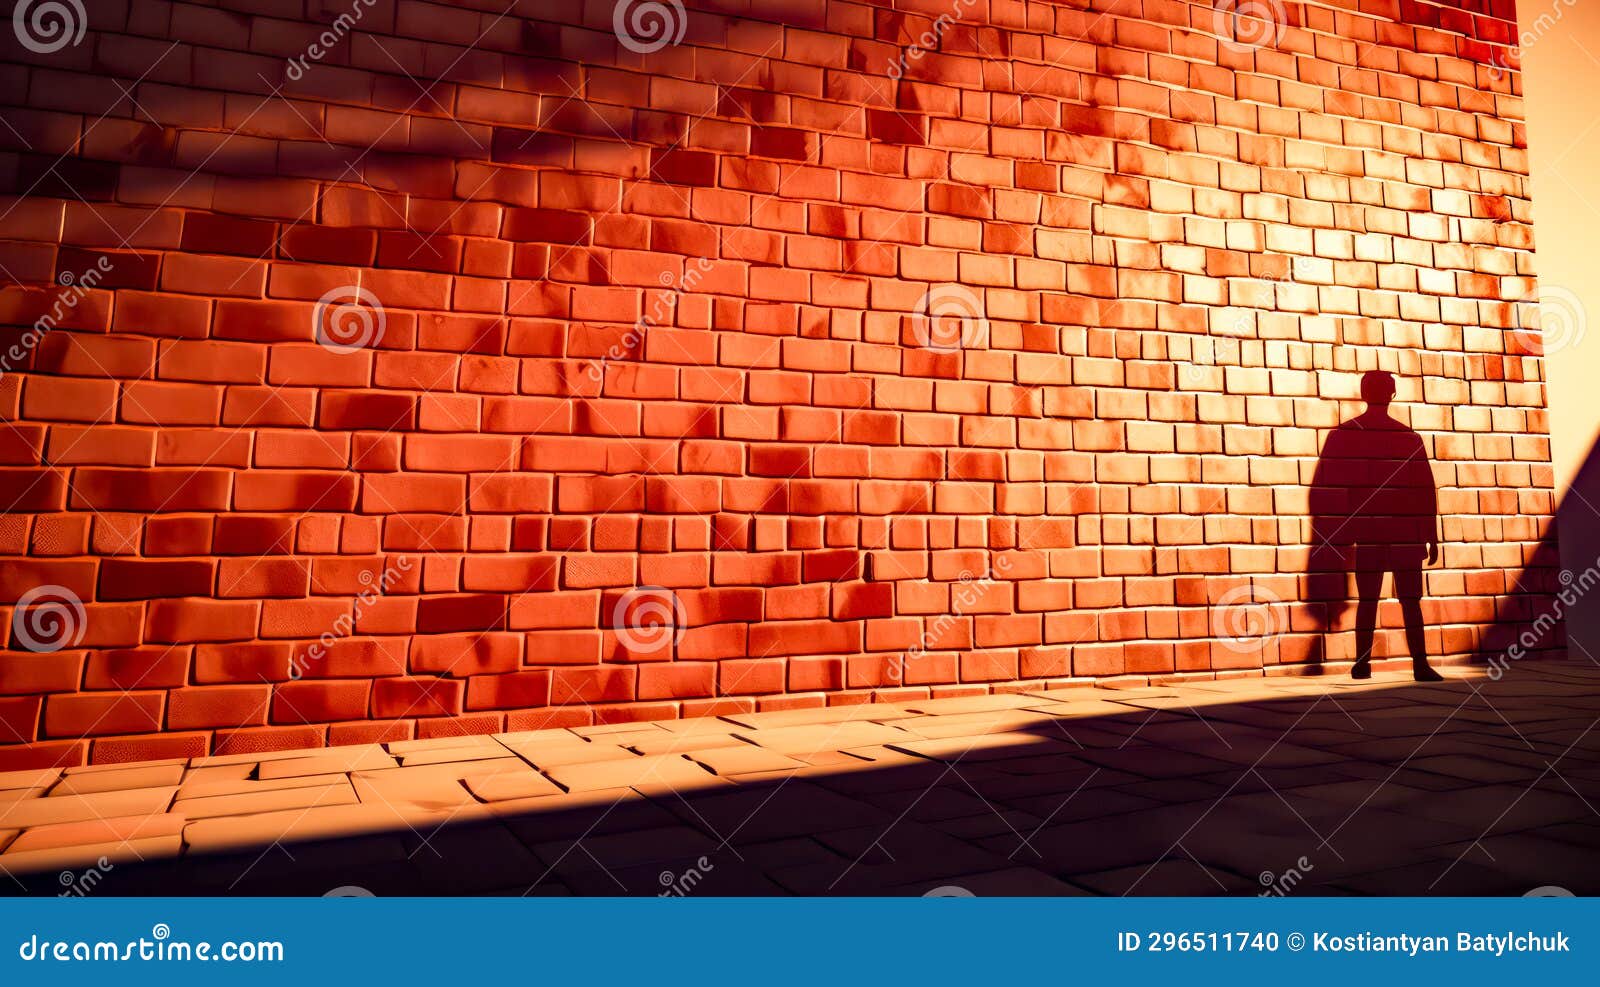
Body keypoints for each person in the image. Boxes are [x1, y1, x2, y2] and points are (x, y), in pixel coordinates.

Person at [1308, 371, 1444, 681]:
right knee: (1411, 601)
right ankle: (1420, 664)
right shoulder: (1409, 437)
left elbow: (1325, 490)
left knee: (1367, 600)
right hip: (1405, 535)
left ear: (1363, 392)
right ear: (1393, 394)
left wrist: (1336, 534)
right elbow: (1425, 491)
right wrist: (1431, 535)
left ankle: (1362, 663)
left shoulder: (1342, 436)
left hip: (1367, 533)